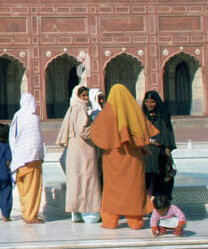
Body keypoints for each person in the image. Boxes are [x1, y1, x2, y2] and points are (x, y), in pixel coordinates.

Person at [90, 83, 158, 230]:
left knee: (112, 189)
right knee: (133, 188)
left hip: (113, 156)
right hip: (133, 156)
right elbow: (144, 132)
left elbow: (94, 132)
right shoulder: (134, 111)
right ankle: (135, 221)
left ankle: (110, 221)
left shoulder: (107, 113)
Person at [57, 85, 102, 223]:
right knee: (87, 179)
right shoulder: (81, 108)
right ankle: (89, 213)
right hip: (83, 150)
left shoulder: (72, 108)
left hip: (74, 150)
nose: (86, 98)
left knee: (76, 181)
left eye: (87, 96)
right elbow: (83, 131)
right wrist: (96, 128)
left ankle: (76, 212)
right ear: (78, 96)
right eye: (83, 96)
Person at [8, 92, 45, 223]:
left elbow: (12, 137)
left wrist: (15, 154)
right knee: (33, 188)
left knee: (23, 188)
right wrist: (39, 156)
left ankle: (26, 213)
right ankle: (31, 216)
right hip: (31, 158)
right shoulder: (32, 118)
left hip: (19, 158)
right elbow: (36, 140)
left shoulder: (17, 116)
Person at [142, 90, 176, 202]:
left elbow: (168, 134)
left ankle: (161, 205)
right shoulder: (141, 116)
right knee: (147, 181)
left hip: (160, 155)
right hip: (146, 155)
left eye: (152, 102)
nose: (149, 104)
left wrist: (168, 151)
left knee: (162, 180)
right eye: (147, 102)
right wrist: (151, 141)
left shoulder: (163, 116)